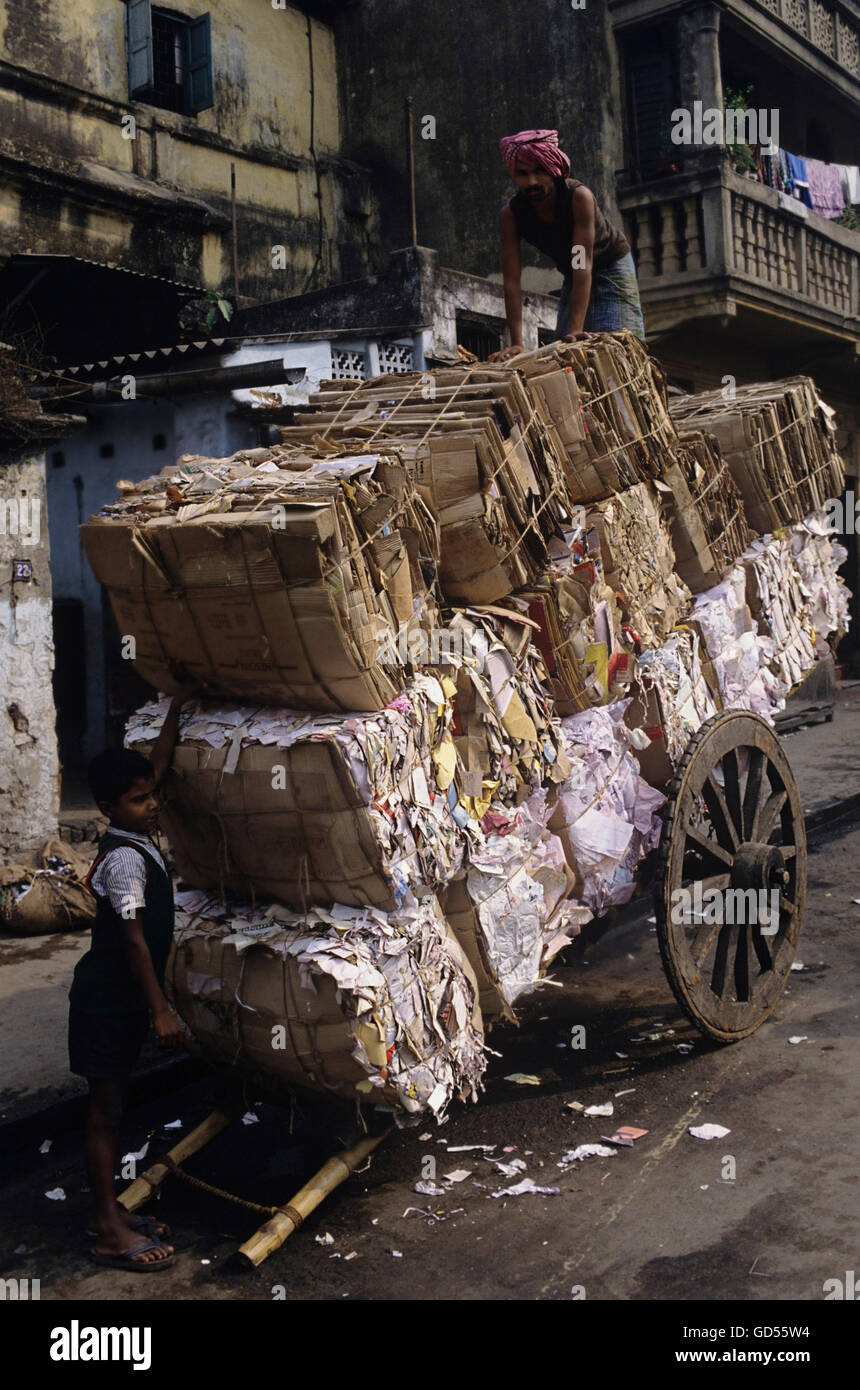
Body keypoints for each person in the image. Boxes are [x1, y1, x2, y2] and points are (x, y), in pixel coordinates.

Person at [68, 688, 196, 1271]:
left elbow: (158, 767)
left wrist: (179, 707)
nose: (151, 805)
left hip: (117, 1002)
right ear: (107, 806)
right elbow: (134, 940)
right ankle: (107, 1230)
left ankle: (109, 1211)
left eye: (150, 796)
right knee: (106, 1110)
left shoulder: (135, 830)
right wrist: (161, 1008)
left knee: (114, 1106)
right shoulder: (123, 859)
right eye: (139, 799)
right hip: (106, 1002)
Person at [490, 128, 645, 361]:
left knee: (618, 348)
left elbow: (583, 262)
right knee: (562, 356)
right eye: (522, 174)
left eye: (539, 171)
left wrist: (575, 329)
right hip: (574, 273)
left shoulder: (578, 197)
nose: (531, 181)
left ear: (554, 171)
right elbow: (512, 282)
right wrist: (518, 343)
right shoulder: (510, 215)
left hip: (610, 264)